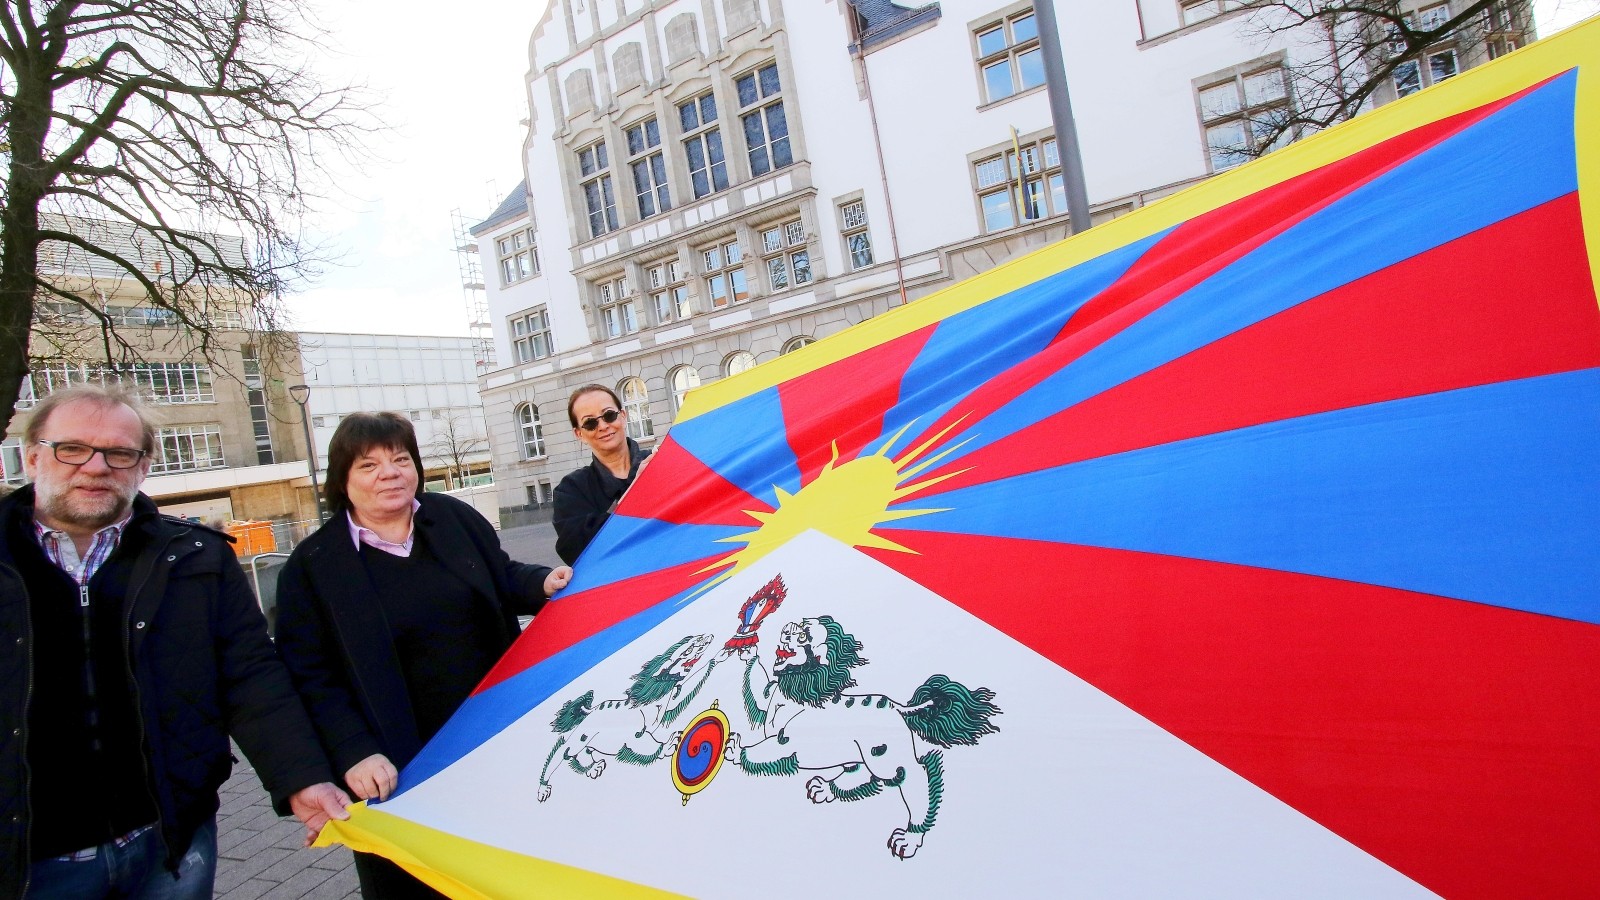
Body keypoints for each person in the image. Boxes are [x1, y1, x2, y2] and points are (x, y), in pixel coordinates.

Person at [0, 385, 351, 900]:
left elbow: (252, 678)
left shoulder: (196, 559)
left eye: (119, 453)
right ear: (33, 457)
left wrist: (303, 778)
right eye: (72, 449)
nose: (96, 467)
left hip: (170, 844)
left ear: (143, 467)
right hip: (30, 864)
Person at [274, 412, 571, 899]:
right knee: (415, 885)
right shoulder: (312, 567)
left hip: (490, 742)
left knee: (506, 872)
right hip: (395, 768)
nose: (389, 472)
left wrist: (541, 582)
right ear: (342, 480)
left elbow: (498, 574)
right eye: (369, 465)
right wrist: (353, 752)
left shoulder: (451, 518)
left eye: (400, 458)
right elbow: (310, 677)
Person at [552, 384, 652, 565]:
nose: (603, 426)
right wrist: (636, 492)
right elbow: (577, 550)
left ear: (623, 416)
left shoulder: (660, 461)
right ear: (579, 433)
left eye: (609, 415)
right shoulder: (570, 490)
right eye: (590, 423)